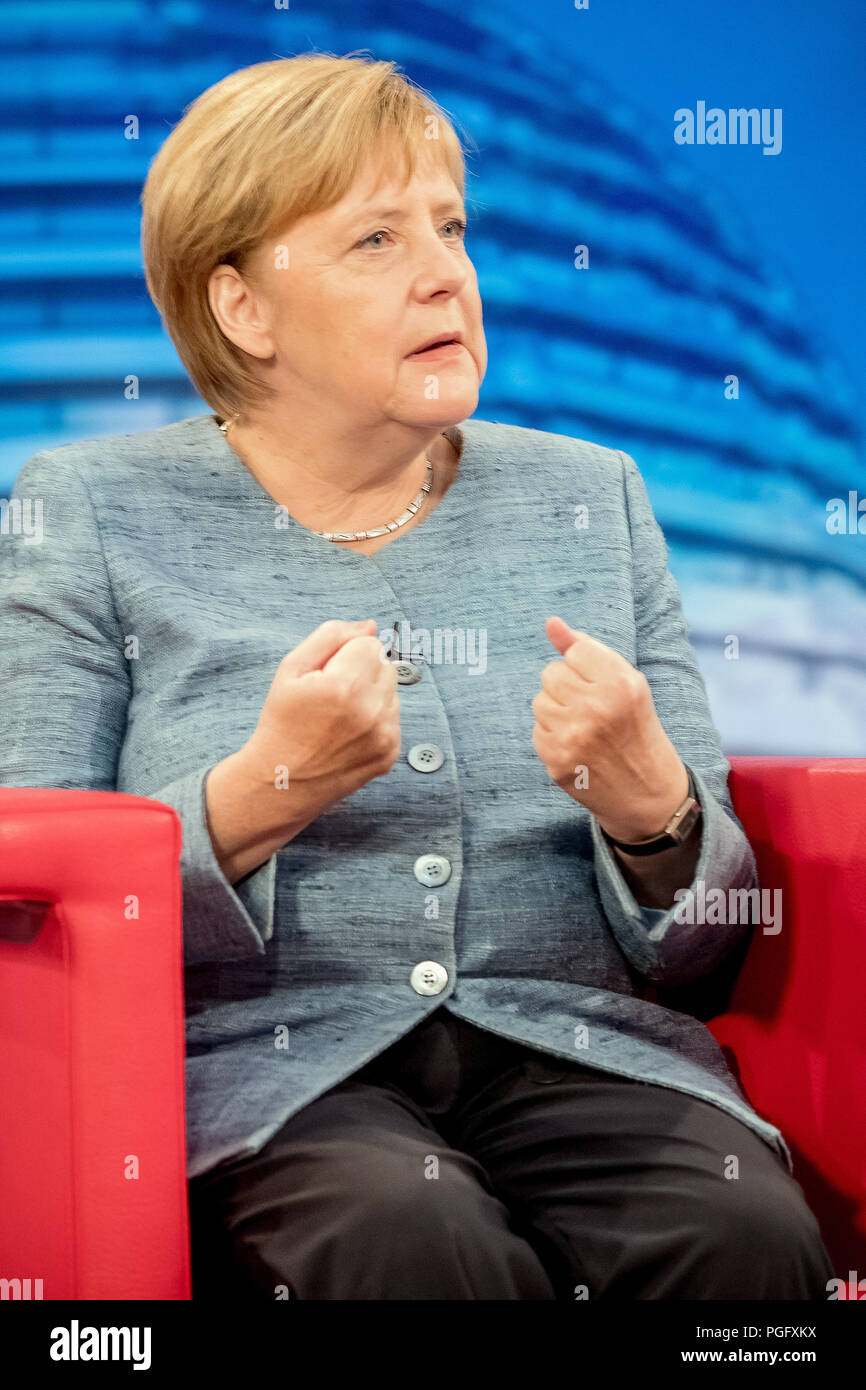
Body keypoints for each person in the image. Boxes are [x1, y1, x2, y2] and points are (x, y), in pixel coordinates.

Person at [0, 53, 834, 1300]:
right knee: (396, 1233)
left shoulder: (588, 497)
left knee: (744, 1237)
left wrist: (653, 815)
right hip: (279, 1072)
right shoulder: (94, 511)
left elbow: (705, 951)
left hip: (581, 1056)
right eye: (376, 240)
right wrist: (259, 797)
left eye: (449, 227)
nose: (447, 271)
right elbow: (32, 889)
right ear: (244, 309)